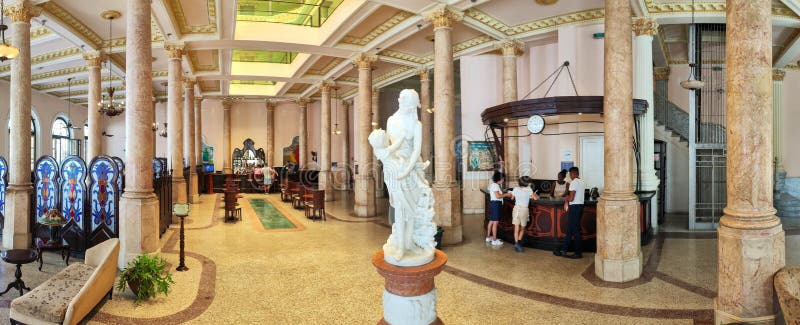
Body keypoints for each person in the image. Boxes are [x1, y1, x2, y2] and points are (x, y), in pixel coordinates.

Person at [554, 167, 585, 259]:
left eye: (570, 174)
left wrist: (566, 201)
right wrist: (568, 199)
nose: (570, 176)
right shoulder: (582, 182)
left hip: (574, 207)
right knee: (569, 230)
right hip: (579, 207)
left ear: (572, 173)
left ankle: (578, 253)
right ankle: (564, 250)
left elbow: (571, 198)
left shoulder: (574, 182)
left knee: (575, 231)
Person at [510, 176, 539, 252]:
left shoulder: (515, 189)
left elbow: (512, 198)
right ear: (527, 183)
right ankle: (518, 243)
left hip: (516, 209)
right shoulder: (529, 190)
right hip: (524, 210)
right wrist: (534, 194)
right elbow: (536, 198)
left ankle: (516, 243)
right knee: (522, 228)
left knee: (516, 228)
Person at [487, 171, 511, 246]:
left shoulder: (494, 185)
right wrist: (507, 194)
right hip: (496, 205)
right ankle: (494, 240)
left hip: (493, 204)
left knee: (491, 221)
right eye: (503, 179)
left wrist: (503, 192)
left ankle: (488, 237)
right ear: (499, 179)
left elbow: (497, 194)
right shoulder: (495, 186)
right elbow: (498, 196)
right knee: (495, 222)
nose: (503, 180)